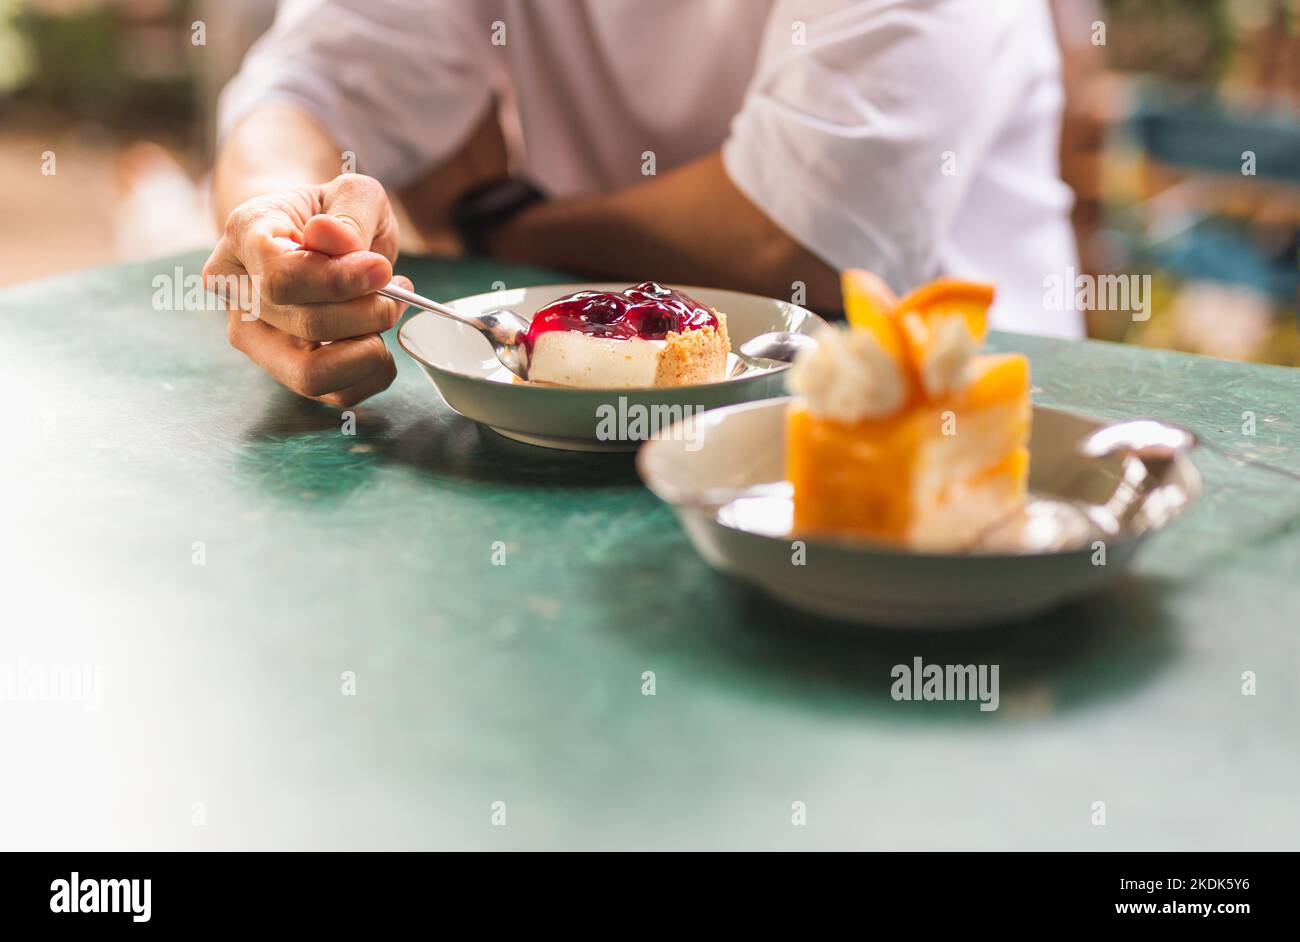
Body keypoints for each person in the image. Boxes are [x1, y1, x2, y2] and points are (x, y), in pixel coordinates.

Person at [205, 0, 1081, 407]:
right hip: (576, 431)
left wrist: (495, 219)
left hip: (954, 421)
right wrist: (279, 224)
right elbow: (307, 90)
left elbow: (794, 238)